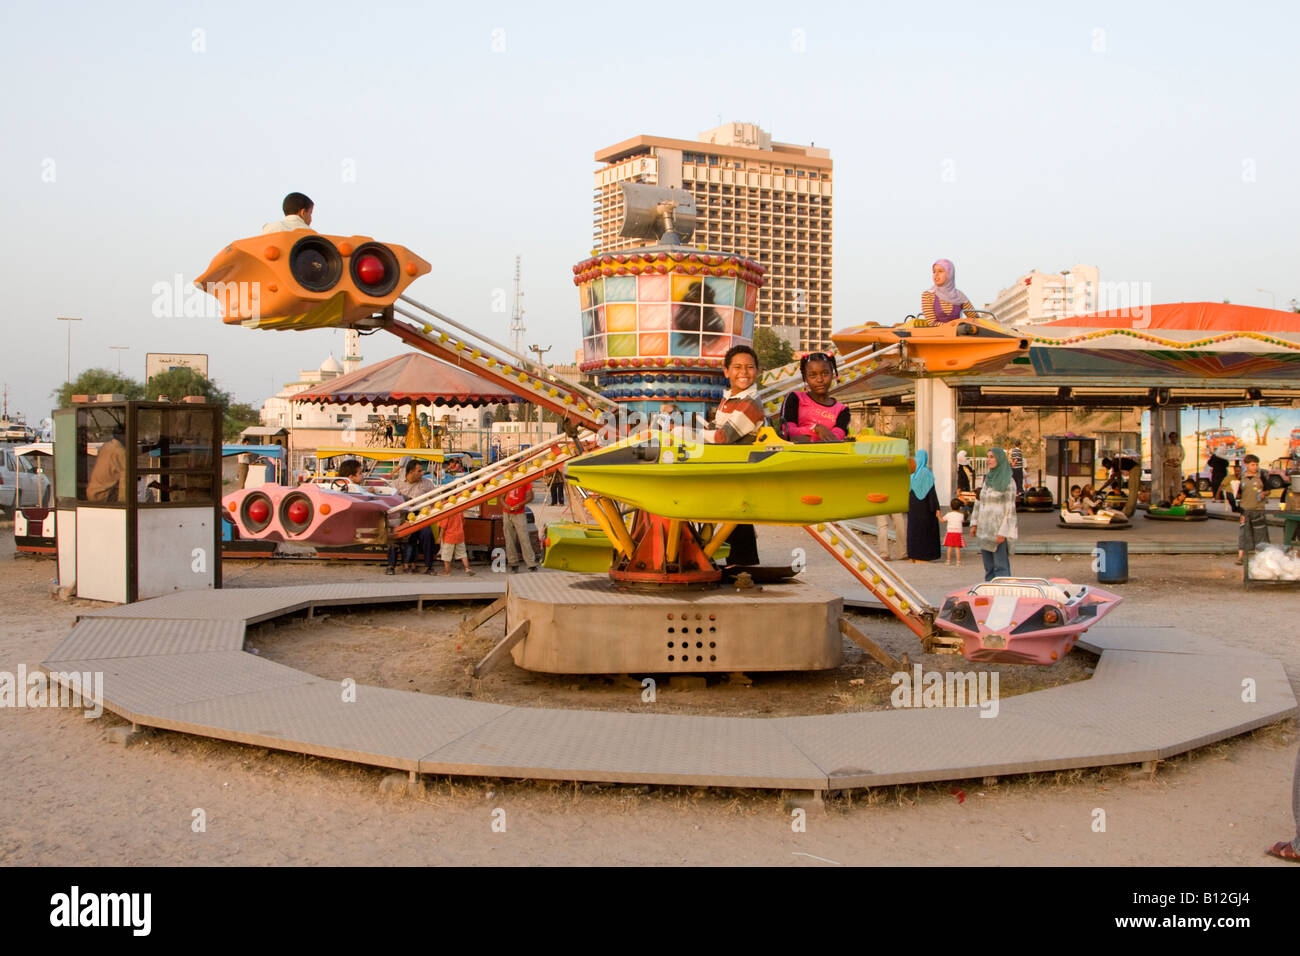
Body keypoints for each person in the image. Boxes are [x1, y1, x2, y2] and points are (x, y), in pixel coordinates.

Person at [703, 345, 763, 566]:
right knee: (735, 516)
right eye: (737, 367)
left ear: (757, 371)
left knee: (733, 514)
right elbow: (714, 426)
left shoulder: (750, 403)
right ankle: (740, 560)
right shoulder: (729, 399)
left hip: (738, 466)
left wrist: (685, 433)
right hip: (727, 465)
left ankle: (739, 561)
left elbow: (722, 437)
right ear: (726, 371)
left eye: (749, 367)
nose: (744, 372)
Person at [969, 447, 1018, 581]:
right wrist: (974, 523)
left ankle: (1003, 595)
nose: (988, 460)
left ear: (1000, 459)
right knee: (988, 567)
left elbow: (1010, 509)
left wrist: (1003, 531)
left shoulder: (1009, 482)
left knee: (1000, 566)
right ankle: (990, 594)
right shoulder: (987, 480)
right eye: (988, 456)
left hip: (998, 531)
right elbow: (979, 502)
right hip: (985, 529)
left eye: (992, 457)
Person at [780, 353, 850, 442]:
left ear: (832, 374)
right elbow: (787, 432)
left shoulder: (842, 410)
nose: (820, 379)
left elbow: (834, 439)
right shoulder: (795, 398)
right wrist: (816, 429)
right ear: (805, 378)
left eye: (825, 374)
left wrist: (806, 438)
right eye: (813, 375)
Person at [387, 460, 436, 574]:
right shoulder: (397, 484)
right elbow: (389, 499)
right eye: (419, 471)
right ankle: (391, 566)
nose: (422, 473)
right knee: (394, 536)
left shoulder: (427, 483)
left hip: (421, 515)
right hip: (402, 515)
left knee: (428, 534)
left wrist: (432, 511)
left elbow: (437, 498)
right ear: (410, 472)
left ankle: (429, 566)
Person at [906, 449, 942, 562]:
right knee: (926, 531)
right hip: (925, 509)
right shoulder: (926, 473)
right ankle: (924, 555)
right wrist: (936, 508)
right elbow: (931, 492)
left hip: (912, 507)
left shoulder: (912, 474)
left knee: (913, 530)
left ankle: (913, 554)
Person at [919, 259, 973, 326]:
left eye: (940, 271)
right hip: (937, 335)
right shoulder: (928, 295)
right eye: (934, 272)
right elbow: (932, 323)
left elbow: (975, 318)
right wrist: (954, 326)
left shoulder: (959, 296)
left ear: (950, 274)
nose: (936, 274)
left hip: (957, 334)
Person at [1236, 454, 1268, 566]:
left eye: (1256, 465)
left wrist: (1264, 493)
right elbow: (1237, 493)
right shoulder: (1241, 478)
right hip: (1245, 510)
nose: (1255, 467)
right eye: (1252, 465)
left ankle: (1262, 557)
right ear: (1246, 465)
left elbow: (1268, 490)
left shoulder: (1261, 476)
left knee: (1260, 533)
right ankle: (1241, 556)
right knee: (1244, 533)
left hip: (1258, 509)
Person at [502, 482, 539, 572]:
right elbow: (501, 498)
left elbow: (531, 496)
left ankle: (531, 563)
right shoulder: (508, 479)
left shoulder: (525, 480)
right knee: (509, 539)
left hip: (519, 513)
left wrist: (520, 504)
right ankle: (513, 563)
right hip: (507, 513)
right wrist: (506, 506)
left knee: (524, 538)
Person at [85, 432, 128, 503]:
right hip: (103, 496)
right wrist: (123, 503)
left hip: (91, 492)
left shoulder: (106, 446)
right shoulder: (120, 452)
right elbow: (126, 478)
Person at [434, 509, 474, 576]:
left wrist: (439, 538)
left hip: (449, 537)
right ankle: (467, 569)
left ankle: (447, 572)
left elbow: (443, 527)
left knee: (446, 555)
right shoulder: (459, 511)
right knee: (462, 553)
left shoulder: (447, 512)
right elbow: (463, 521)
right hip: (460, 536)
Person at [942, 498, 966, 567]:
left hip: (950, 532)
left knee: (949, 547)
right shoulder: (961, 515)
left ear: (950, 506)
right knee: (957, 548)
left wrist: (938, 516)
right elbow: (963, 521)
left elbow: (942, 520)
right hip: (958, 533)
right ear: (960, 507)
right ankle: (958, 562)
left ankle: (948, 561)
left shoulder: (948, 514)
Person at [1162, 431, 1185, 501]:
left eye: (1175, 437)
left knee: (1178, 485)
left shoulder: (1179, 446)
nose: (1173, 438)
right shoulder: (1166, 446)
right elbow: (1162, 456)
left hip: (1177, 467)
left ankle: (1177, 500)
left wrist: (1177, 461)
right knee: (1167, 485)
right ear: (1170, 438)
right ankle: (1167, 500)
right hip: (1168, 467)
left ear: (1177, 438)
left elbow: (1182, 456)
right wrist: (1168, 461)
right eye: (1172, 437)